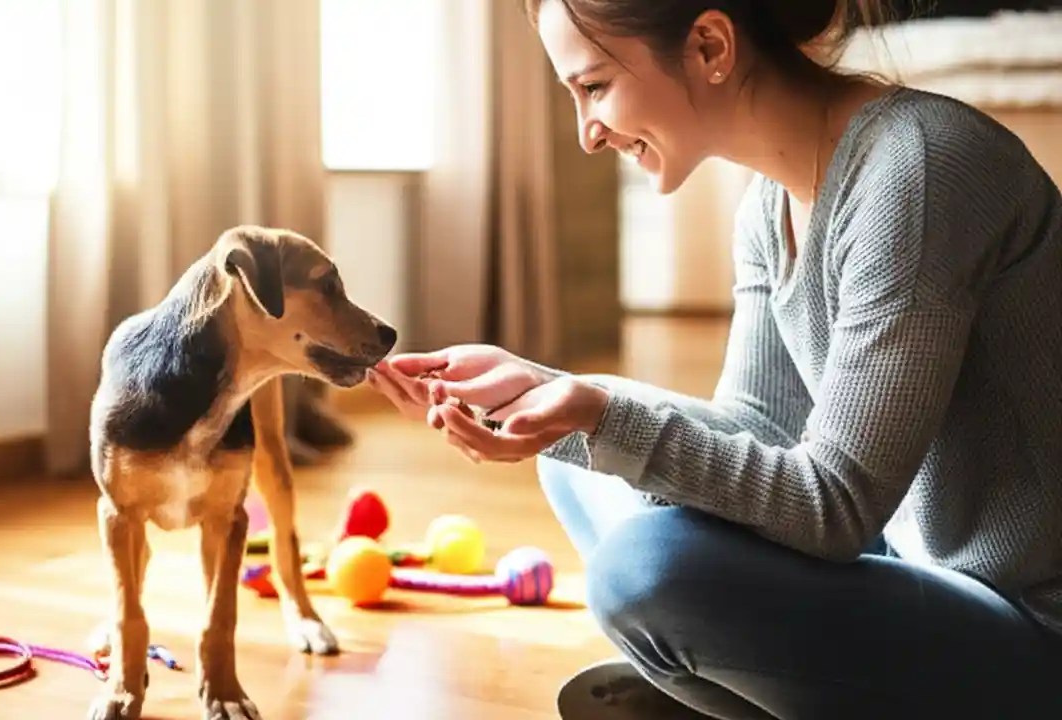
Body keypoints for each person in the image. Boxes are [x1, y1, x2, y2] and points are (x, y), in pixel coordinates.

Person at [367, 1, 1062, 718]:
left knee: (643, 568)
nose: (587, 133)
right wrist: (547, 394)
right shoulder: (771, 204)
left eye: (596, 86)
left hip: (1029, 633)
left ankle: (730, 687)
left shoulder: (916, 170)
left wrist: (602, 417)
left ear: (708, 46)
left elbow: (833, 507)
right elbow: (758, 429)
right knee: (570, 458)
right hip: (903, 565)